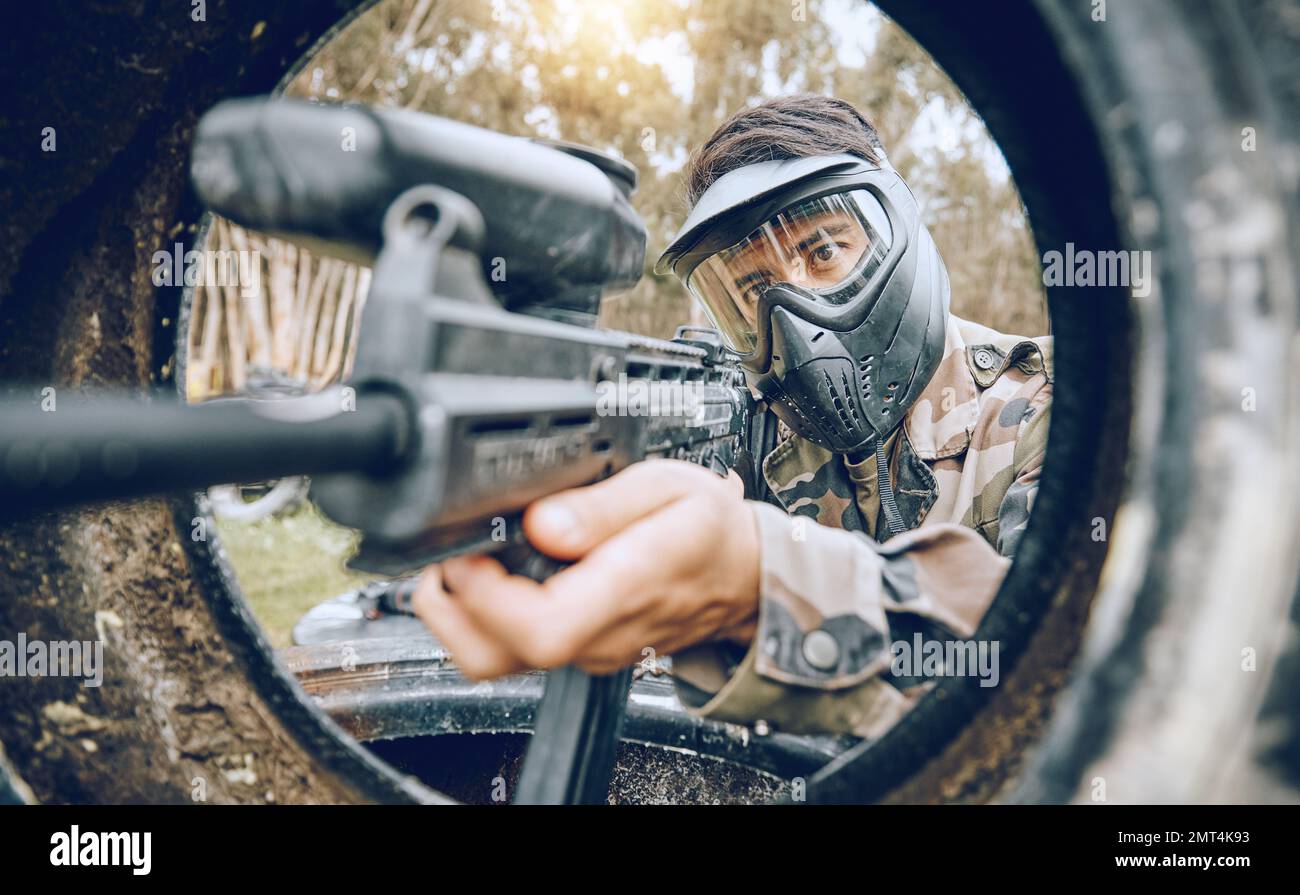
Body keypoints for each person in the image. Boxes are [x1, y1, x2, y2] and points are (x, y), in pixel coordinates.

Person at [412, 94, 1052, 738]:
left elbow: (1065, 669)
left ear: (902, 236)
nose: (792, 316)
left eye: (824, 252)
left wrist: (758, 587)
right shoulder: (741, 421)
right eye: (752, 291)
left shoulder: (1043, 411)